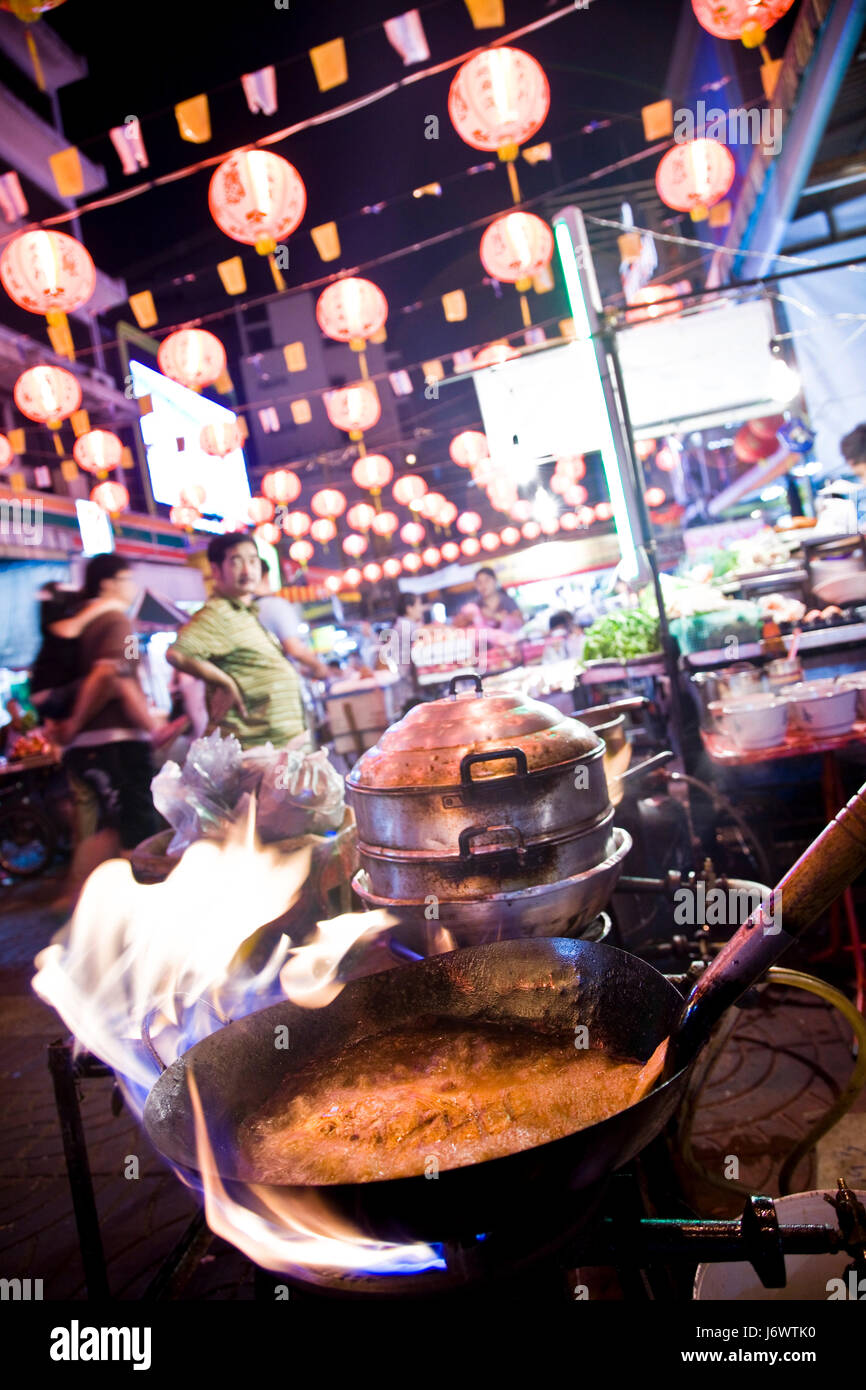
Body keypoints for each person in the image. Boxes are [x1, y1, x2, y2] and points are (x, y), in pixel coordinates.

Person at [59, 554, 161, 886]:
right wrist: (149, 723)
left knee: (108, 829)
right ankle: (130, 906)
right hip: (118, 745)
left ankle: (82, 901)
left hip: (88, 748)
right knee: (136, 830)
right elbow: (116, 675)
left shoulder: (84, 623)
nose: (133, 587)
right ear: (108, 583)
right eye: (127, 579)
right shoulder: (118, 621)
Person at [166, 532, 307, 749]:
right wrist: (224, 681)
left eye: (252, 560)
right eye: (236, 561)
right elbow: (178, 653)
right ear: (216, 570)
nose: (247, 570)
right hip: (255, 750)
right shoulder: (218, 612)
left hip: (276, 748)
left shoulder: (245, 612)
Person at [473, 566, 523, 632]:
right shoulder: (476, 606)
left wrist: (495, 616)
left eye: (487, 580)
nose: (483, 585)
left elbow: (521, 622)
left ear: (495, 581)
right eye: (479, 582)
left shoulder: (507, 601)